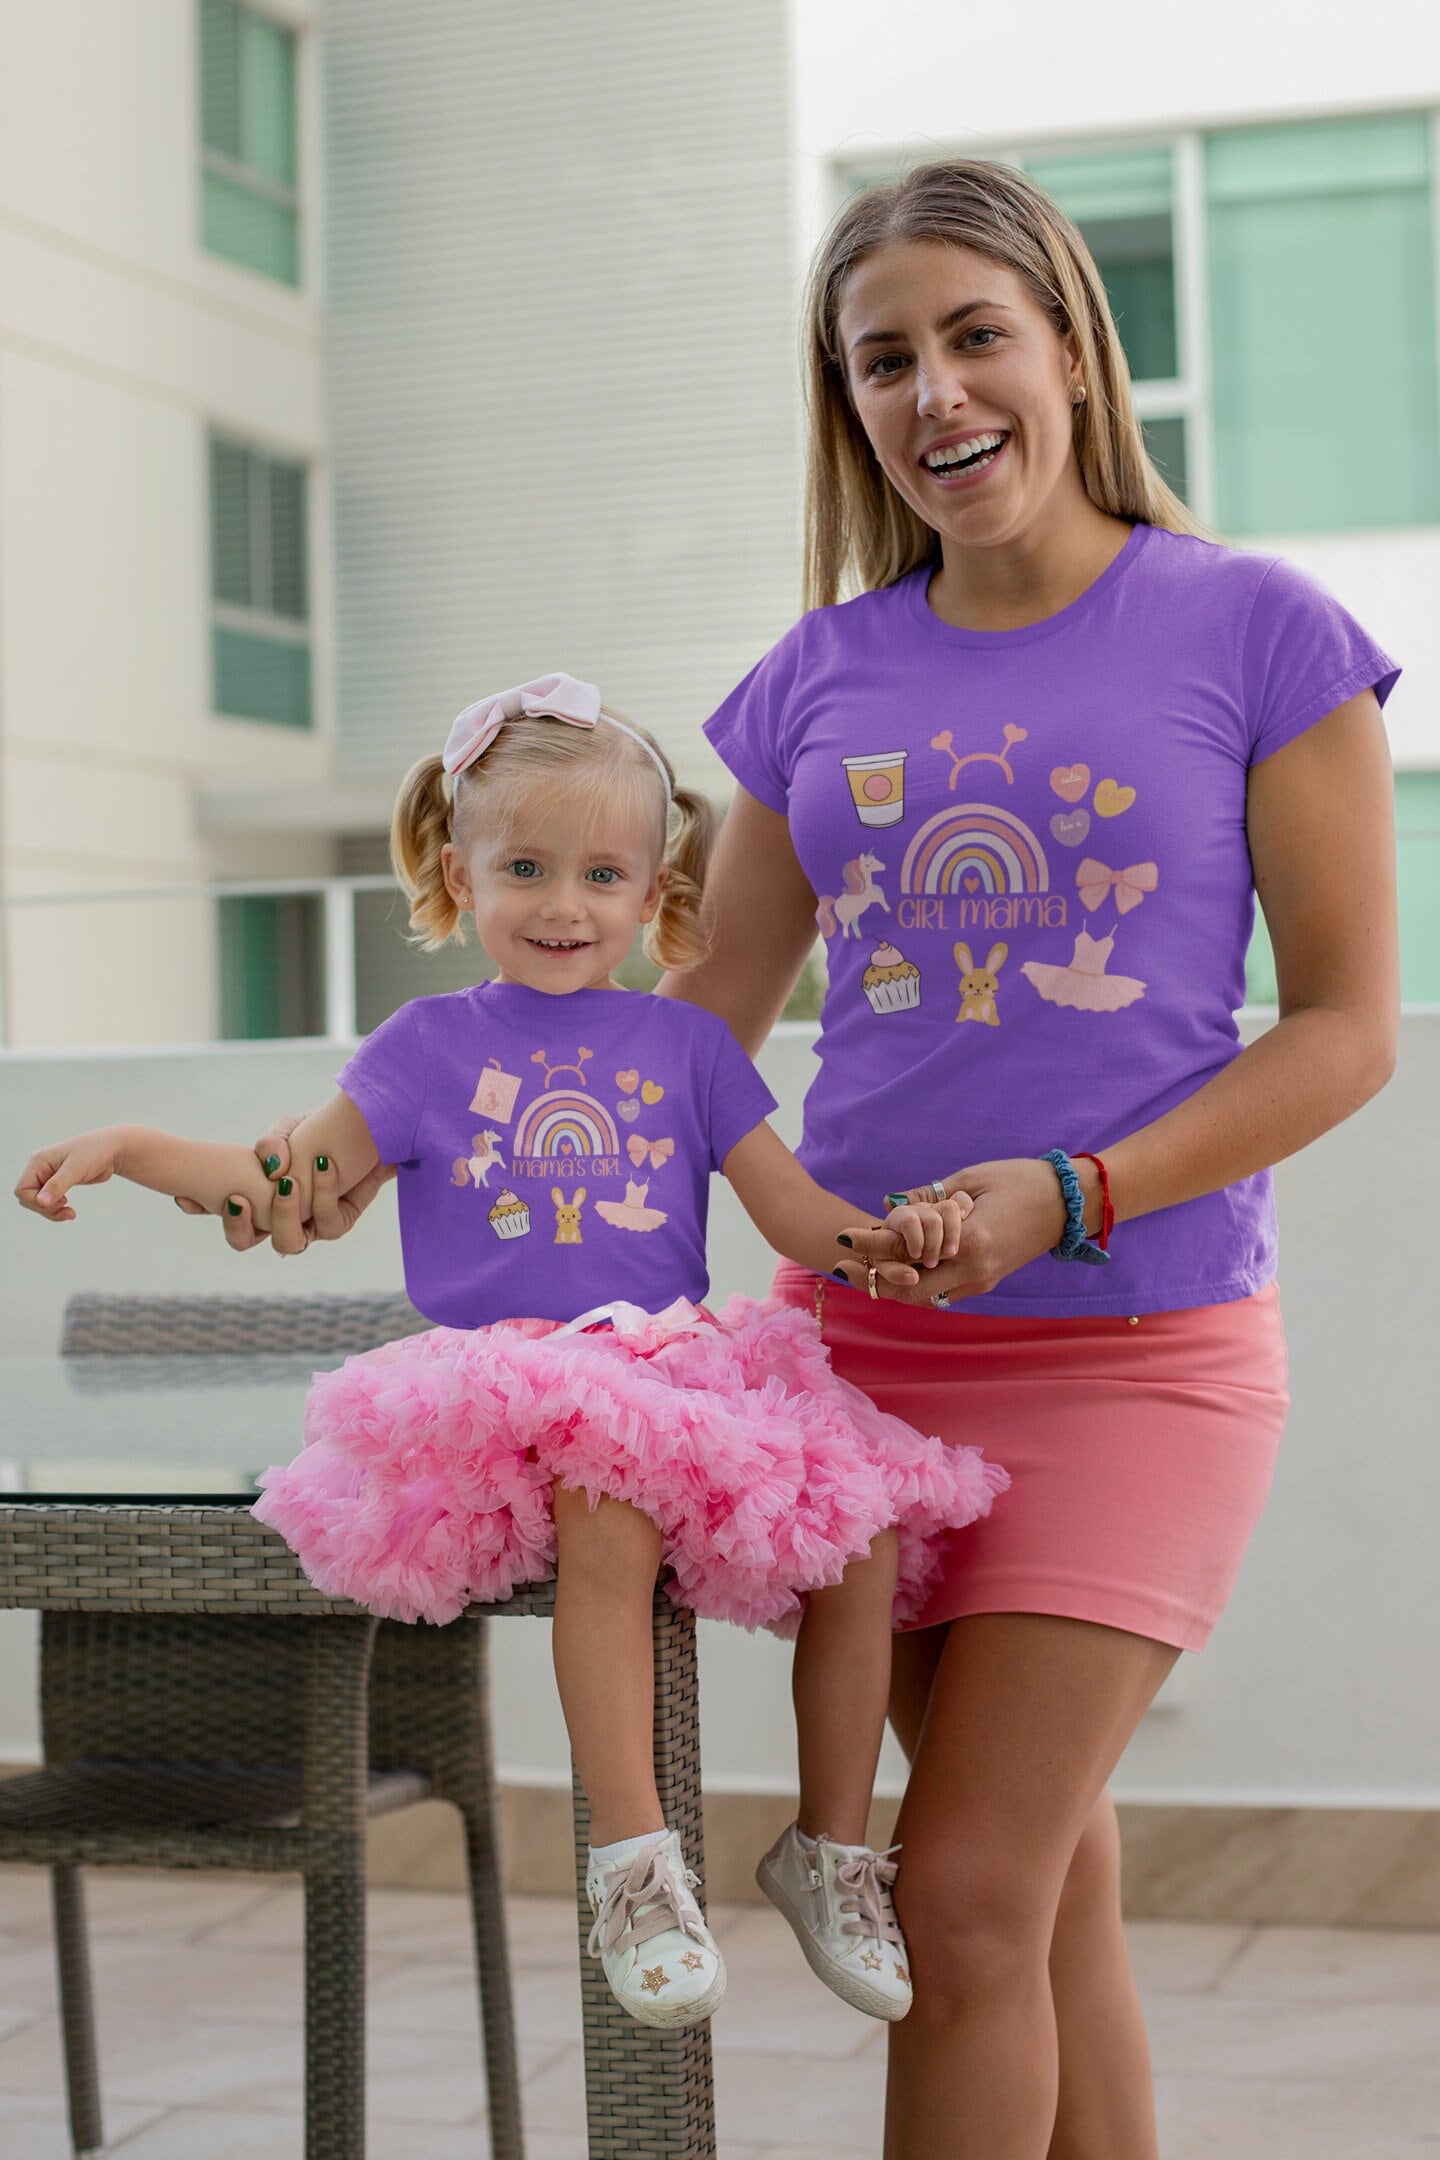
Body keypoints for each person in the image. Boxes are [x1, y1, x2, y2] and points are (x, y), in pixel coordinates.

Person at [193, 156, 1402, 2158]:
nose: (934, 393)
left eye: (972, 336)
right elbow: (681, 1037)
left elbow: (1351, 1027)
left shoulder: (1259, 632)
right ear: (849, 405)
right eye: (882, 361)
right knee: (1041, 1883)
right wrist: (384, 1143)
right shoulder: (818, 680)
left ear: (1069, 350)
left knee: (963, 1892)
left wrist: (1072, 1193)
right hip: (857, 1358)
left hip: (1140, 1352)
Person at [14, 672, 1008, 2038]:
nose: (563, 906)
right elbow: (283, 1174)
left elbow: (791, 1209)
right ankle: (635, 1868)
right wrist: (131, 1150)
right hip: (515, 1381)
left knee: (863, 1536)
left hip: (670, 1364)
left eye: (603, 874)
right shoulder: (425, 1048)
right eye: (526, 868)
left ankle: (829, 1853)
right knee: (608, 1512)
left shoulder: (689, 1047)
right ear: (455, 868)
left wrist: (889, 1240)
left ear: (654, 886)